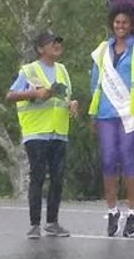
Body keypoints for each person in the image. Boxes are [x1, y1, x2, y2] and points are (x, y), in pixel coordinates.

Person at [88, 3, 134, 237]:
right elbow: (95, 82)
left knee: (128, 159)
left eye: (125, 22)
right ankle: (112, 210)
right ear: (112, 24)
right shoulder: (102, 50)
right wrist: (93, 113)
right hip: (106, 112)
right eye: (117, 22)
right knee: (107, 160)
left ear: (132, 24)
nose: (120, 26)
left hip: (130, 112)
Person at [7, 31, 80, 238]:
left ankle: (53, 222)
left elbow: (64, 98)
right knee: (38, 177)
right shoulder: (29, 70)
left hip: (59, 132)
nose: (57, 45)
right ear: (40, 49)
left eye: (58, 42)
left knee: (57, 178)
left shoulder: (62, 71)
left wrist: (72, 104)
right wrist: (34, 93)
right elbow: (10, 95)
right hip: (36, 132)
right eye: (52, 43)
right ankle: (34, 224)